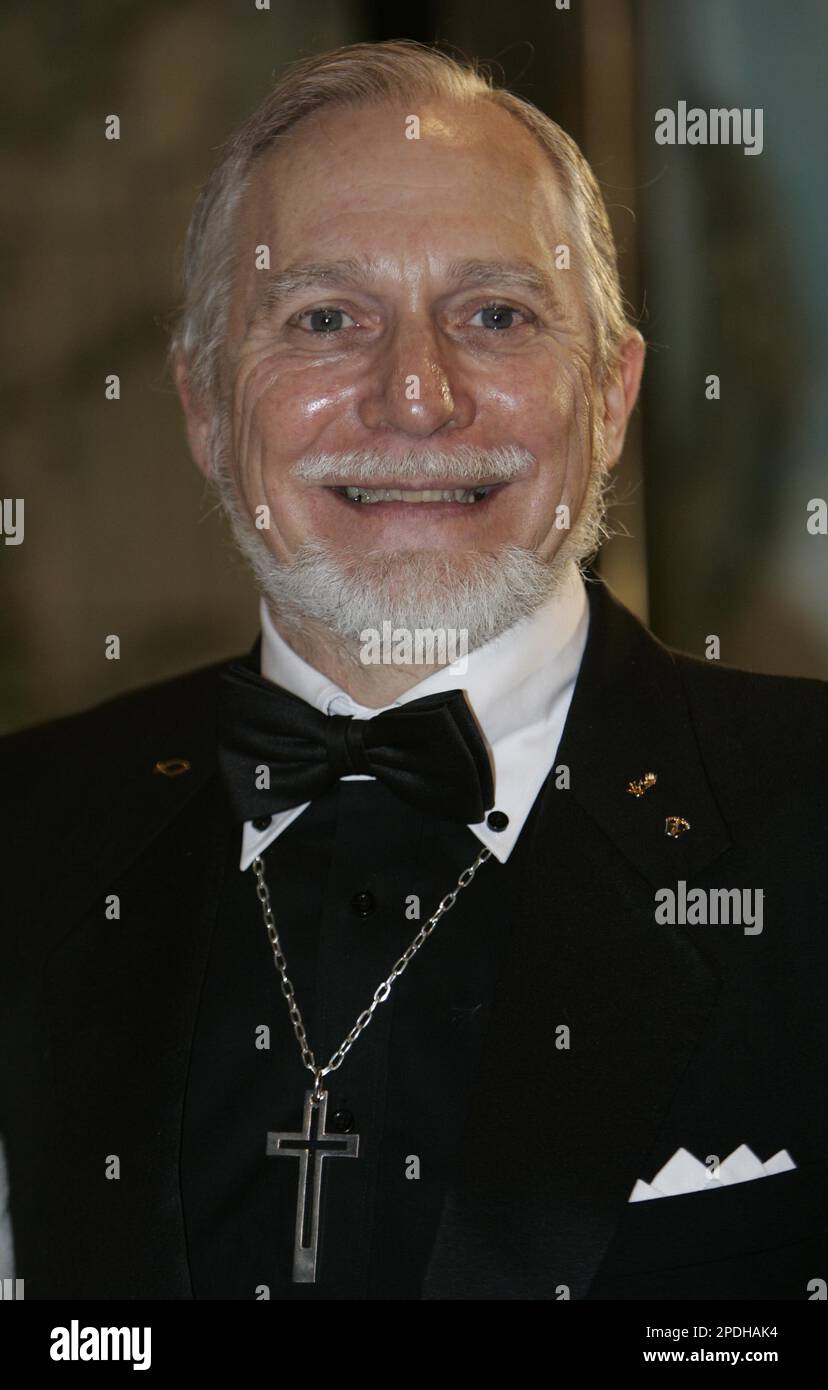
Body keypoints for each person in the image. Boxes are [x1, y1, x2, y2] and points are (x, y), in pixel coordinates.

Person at [1, 39, 825, 1301]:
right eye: (327, 319)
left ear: (610, 394)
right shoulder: (28, 833)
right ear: (206, 411)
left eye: (495, 314)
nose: (418, 396)